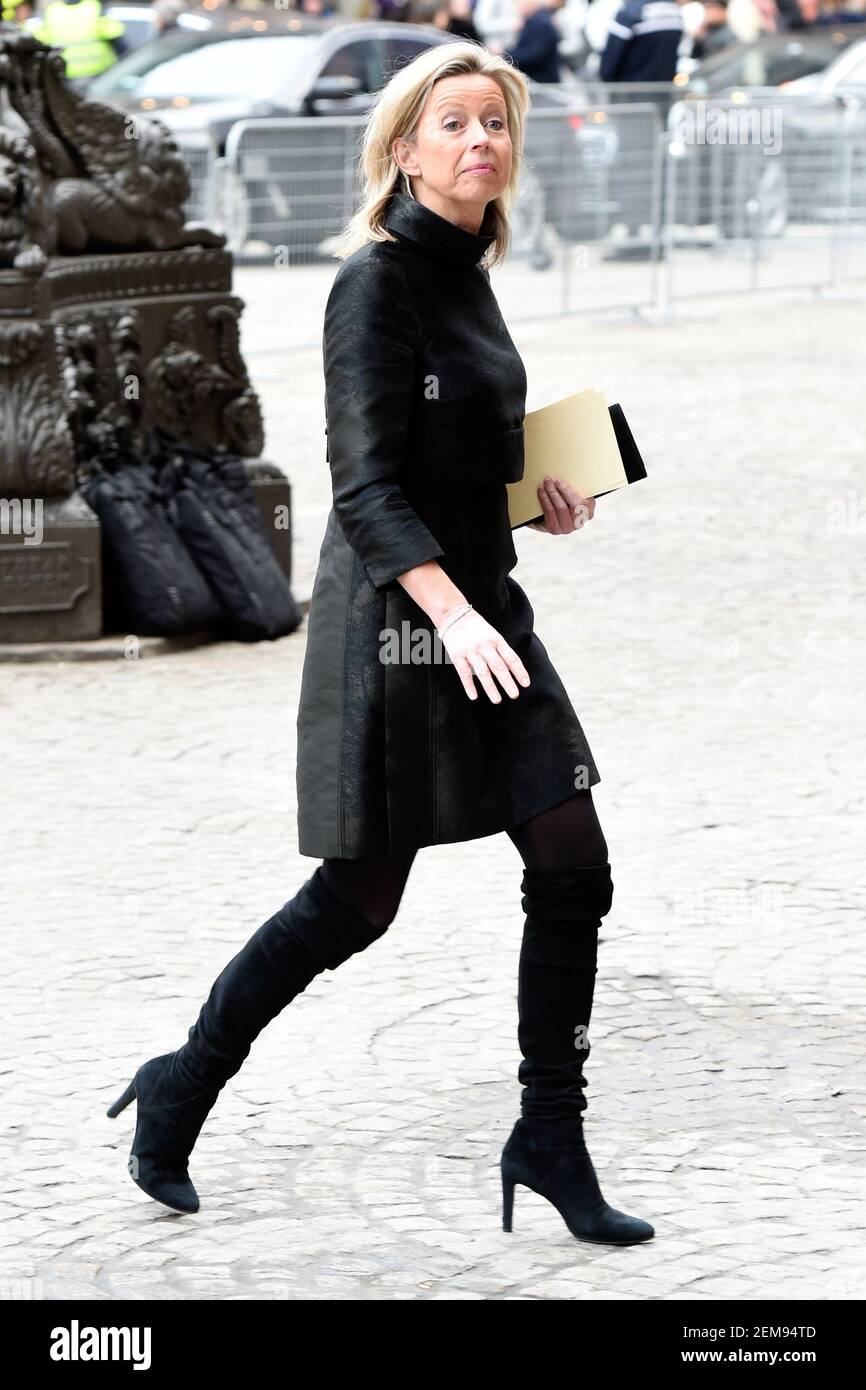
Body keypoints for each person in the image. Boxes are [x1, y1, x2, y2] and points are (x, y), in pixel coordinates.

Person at [106, 39, 655, 1249]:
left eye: (494, 125)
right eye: (452, 124)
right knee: (359, 899)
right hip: (401, 629)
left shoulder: (471, 269)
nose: (478, 142)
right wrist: (448, 613)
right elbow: (361, 488)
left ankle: (547, 1135)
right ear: (403, 148)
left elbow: (453, 456)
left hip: (481, 610)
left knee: (574, 862)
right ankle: (182, 1080)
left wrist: (540, 494)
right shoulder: (378, 280)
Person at [32, 0, 127, 81]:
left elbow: (40, 46)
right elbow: (120, 45)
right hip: (100, 78)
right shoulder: (95, 8)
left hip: (66, 79)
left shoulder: (51, 11)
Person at [493, 0, 564, 82]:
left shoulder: (541, 24)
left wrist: (503, 53)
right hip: (537, 81)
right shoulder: (534, 21)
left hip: (541, 83)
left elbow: (533, 56)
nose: (518, 7)